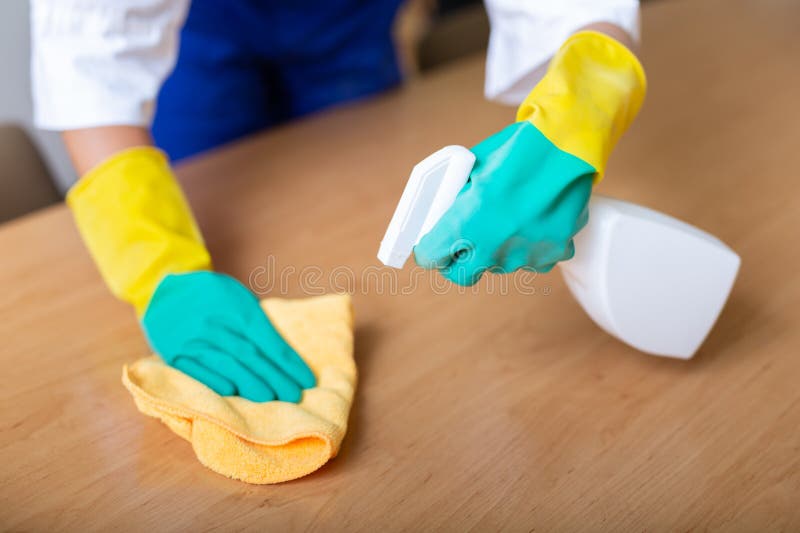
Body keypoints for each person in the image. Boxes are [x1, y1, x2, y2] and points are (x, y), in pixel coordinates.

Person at [30, 0, 645, 402]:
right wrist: (156, 268)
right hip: (201, 32)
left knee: (349, 200)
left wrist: (578, 109)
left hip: (348, 27)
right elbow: (88, 66)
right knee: (208, 170)